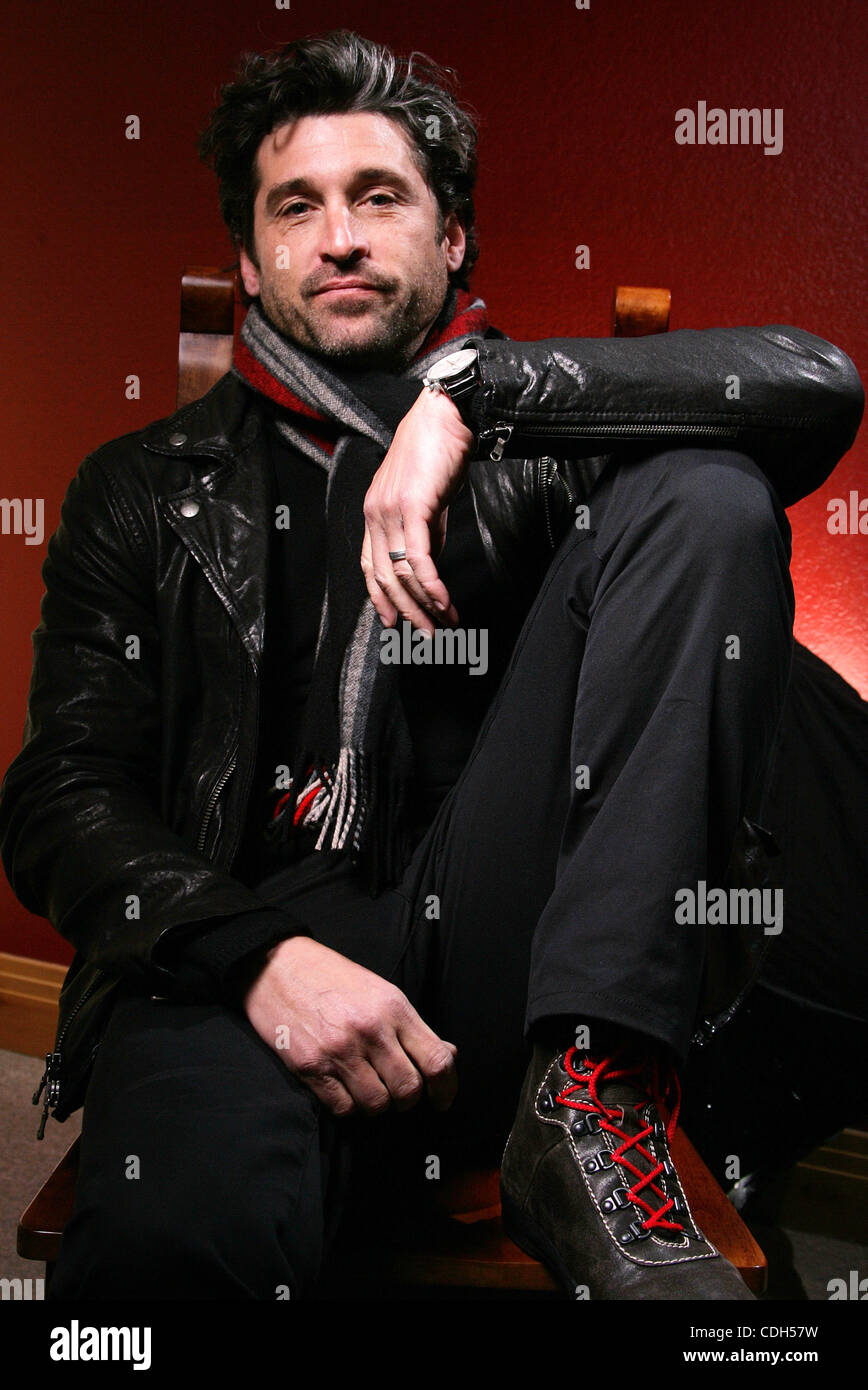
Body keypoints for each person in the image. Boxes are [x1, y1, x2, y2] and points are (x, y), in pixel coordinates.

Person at [0, 30, 862, 1302]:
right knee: (172, 1250)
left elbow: (813, 382)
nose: (339, 236)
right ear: (250, 258)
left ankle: (587, 1097)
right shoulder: (138, 491)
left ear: (451, 239)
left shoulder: (537, 440)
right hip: (236, 951)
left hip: (502, 941)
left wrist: (469, 396)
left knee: (705, 488)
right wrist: (251, 957)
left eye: (380, 197)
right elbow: (62, 793)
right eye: (297, 206)